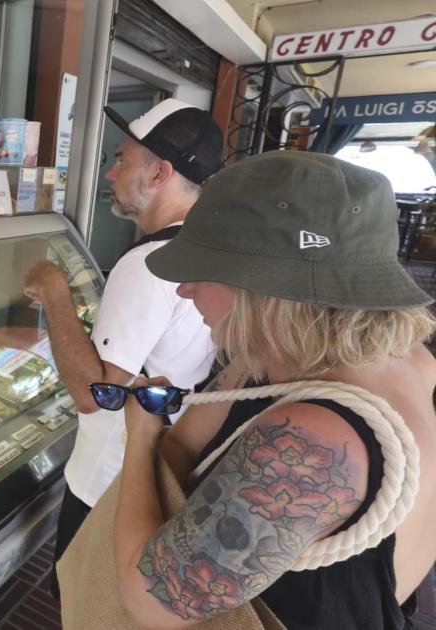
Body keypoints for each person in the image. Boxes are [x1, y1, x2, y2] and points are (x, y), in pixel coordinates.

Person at [110, 151, 436, 628]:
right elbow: (182, 445)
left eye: (203, 269)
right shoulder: (408, 359)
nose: (184, 290)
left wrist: (139, 438)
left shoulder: (313, 441)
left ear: (265, 290)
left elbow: (148, 602)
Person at [22, 99, 223, 594]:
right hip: (161, 466)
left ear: (160, 173)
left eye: (121, 160)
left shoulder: (148, 263)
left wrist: (54, 292)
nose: (110, 174)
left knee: (84, 603)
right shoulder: (211, 248)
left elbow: (97, 394)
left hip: (108, 481)